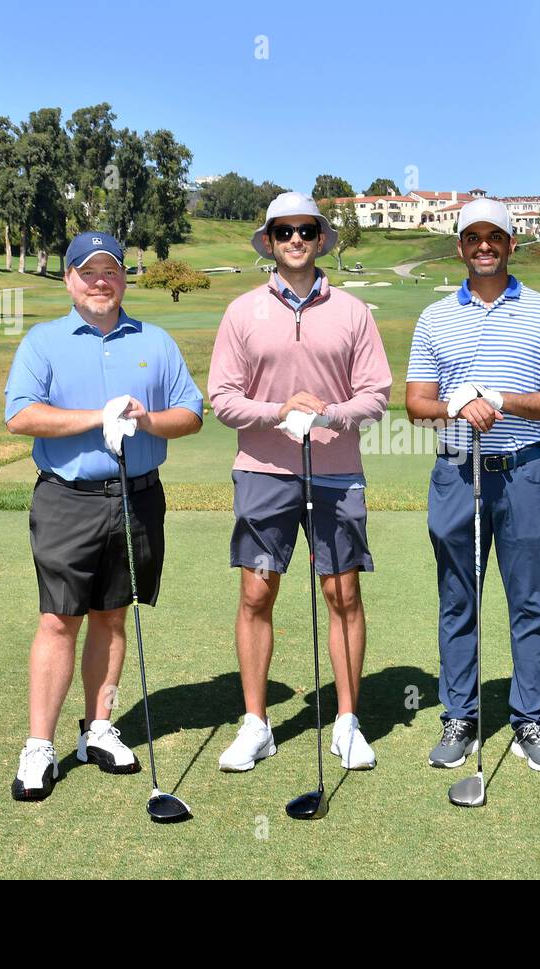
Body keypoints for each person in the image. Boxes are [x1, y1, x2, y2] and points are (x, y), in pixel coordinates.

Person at [3, 231, 204, 801]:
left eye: (110, 270)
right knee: (58, 619)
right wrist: (98, 416)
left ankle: (98, 729)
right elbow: (20, 417)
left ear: (122, 278)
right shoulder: (43, 342)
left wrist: (144, 420)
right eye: (87, 271)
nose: (100, 280)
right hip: (68, 498)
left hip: (137, 496)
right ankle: (40, 745)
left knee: (113, 617)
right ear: (69, 279)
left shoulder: (156, 342)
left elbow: (191, 414)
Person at [208, 192, 391, 772]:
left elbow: (377, 396)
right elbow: (223, 399)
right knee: (256, 591)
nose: (294, 240)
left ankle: (346, 722)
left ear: (319, 238)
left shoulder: (353, 311)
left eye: (305, 231)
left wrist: (329, 414)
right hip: (264, 474)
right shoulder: (242, 312)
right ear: (269, 240)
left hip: (336, 473)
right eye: (283, 231)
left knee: (342, 593)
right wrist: (280, 411)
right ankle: (257, 723)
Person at [405, 198, 540, 773]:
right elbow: (415, 404)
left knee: (532, 603)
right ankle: (460, 715)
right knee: (459, 600)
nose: (484, 245)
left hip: (525, 472)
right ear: (460, 246)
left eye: (495, 236)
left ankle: (530, 720)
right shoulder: (435, 318)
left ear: (511, 244)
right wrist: (455, 405)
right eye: (473, 237)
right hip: (459, 471)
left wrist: (504, 400)